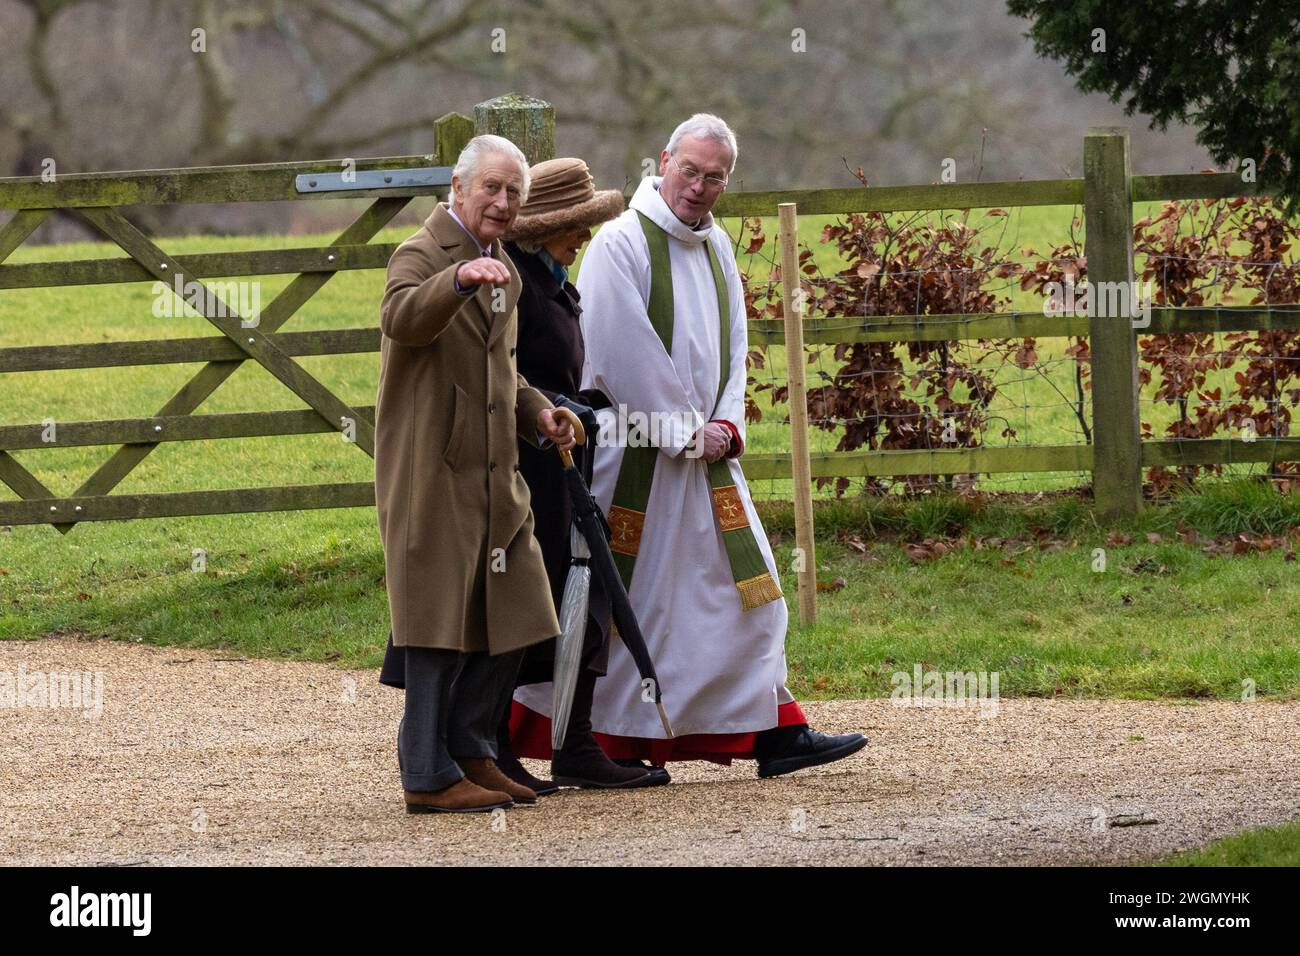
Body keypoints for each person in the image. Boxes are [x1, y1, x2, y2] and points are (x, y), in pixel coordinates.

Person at [511, 114, 868, 777]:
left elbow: (735, 342)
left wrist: (727, 424)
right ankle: (590, 740)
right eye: (691, 171)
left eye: (716, 177)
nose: (700, 188)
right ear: (663, 160)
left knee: (751, 598)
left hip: (706, 457)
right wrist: (684, 432)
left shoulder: (717, 245)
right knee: (627, 610)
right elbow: (621, 353)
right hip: (636, 459)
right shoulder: (620, 243)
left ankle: (772, 729)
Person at [375, 133, 575, 814]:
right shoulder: (421, 253)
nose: (502, 200)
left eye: (513, 191)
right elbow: (400, 319)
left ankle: (469, 748)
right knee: (434, 623)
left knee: (523, 606)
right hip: (431, 472)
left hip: (495, 475)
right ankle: (425, 774)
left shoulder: (506, 269)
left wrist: (540, 414)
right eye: (490, 186)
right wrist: (456, 281)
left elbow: (502, 372)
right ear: (457, 188)